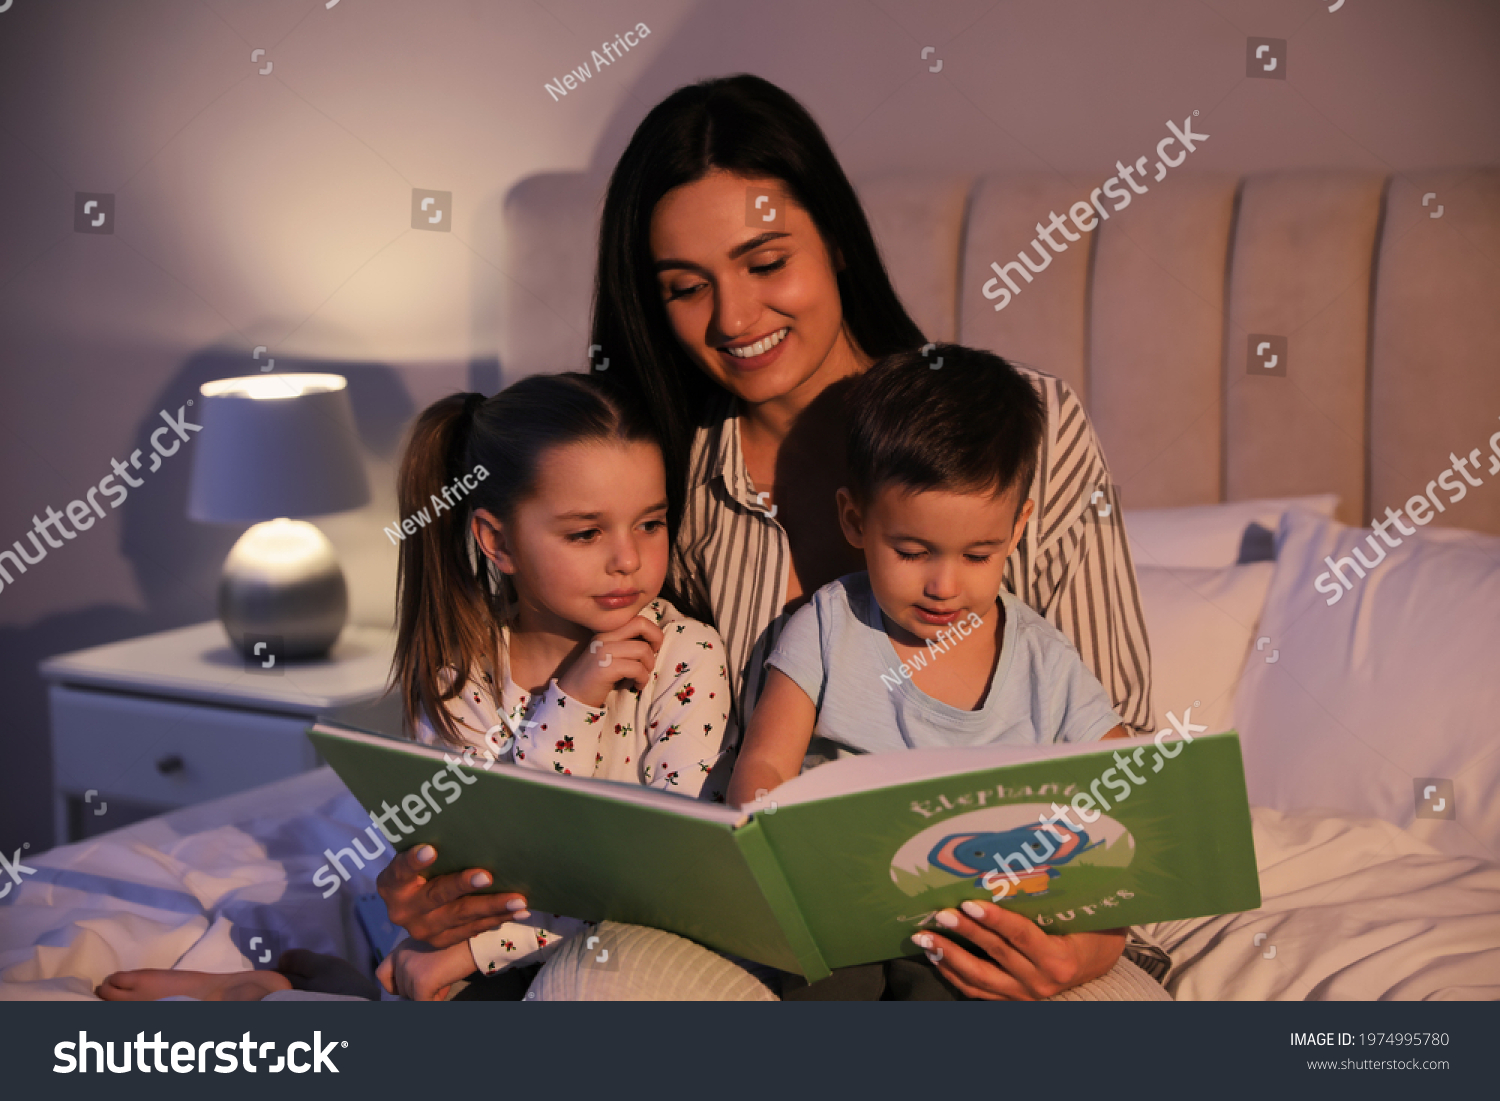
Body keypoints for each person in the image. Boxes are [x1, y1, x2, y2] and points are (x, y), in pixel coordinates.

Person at [376, 73, 1163, 1000]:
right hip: (759, 937)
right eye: (686, 287)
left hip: (1019, 931)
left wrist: (1093, 943)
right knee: (597, 986)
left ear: (833, 237)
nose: (736, 319)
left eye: (764, 260)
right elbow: (567, 740)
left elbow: (1129, 763)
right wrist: (441, 883)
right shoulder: (665, 480)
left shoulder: (1023, 429)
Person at [97, 373, 746, 1003]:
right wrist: (571, 698)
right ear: (499, 541)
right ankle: (291, 984)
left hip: (580, 950)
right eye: (585, 532)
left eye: (651, 523)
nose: (628, 559)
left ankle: (305, 983)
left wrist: (467, 956)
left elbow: (668, 879)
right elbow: (515, 849)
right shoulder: (462, 676)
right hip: (478, 947)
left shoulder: (686, 655)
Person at [725, 345, 1142, 993]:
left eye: (979, 554)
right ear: (855, 519)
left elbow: (1126, 786)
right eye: (913, 550)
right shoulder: (828, 625)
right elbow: (766, 765)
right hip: (844, 913)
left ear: (1018, 527)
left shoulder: (1043, 659)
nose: (944, 585)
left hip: (982, 925)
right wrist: (772, 845)